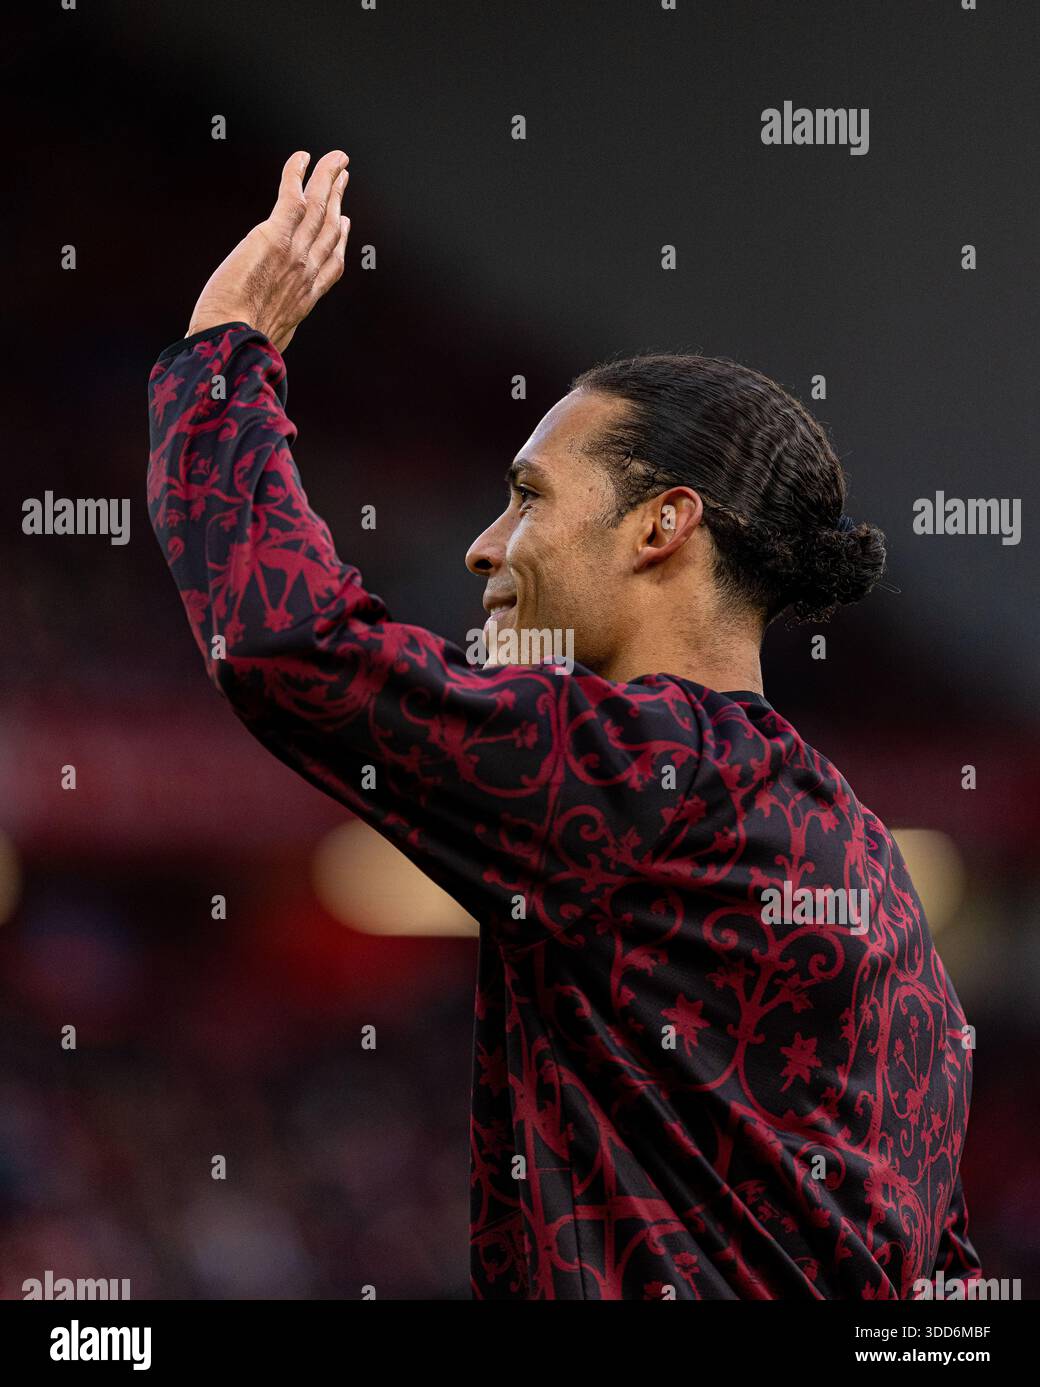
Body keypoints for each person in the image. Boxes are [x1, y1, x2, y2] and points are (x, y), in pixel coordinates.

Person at [147, 149, 980, 1299]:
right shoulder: (874, 871)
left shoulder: (641, 768)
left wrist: (225, 354)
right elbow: (939, 1272)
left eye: (528, 496)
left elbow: (293, 646)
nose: (486, 545)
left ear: (660, 526)